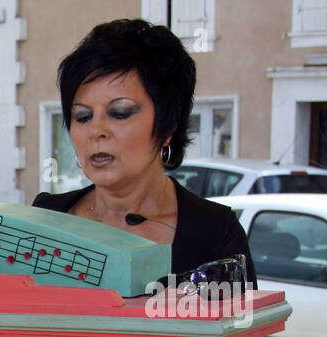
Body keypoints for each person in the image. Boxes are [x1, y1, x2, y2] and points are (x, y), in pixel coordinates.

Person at [32, 18, 256, 288]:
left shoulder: (216, 233)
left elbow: (237, 328)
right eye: (83, 116)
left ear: (169, 125)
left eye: (120, 113)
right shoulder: (46, 217)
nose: (96, 131)